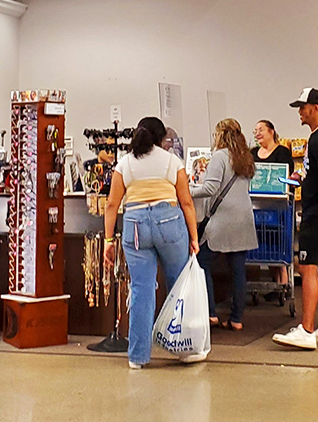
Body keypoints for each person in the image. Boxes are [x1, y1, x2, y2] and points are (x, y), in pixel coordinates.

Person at [103, 116, 201, 369]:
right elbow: (187, 202)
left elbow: (112, 204)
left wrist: (108, 240)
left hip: (135, 225)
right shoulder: (172, 161)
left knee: (141, 290)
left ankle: (137, 357)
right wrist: (193, 237)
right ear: (161, 138)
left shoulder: (124, 163)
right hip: (168, 220)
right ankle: (185, 349)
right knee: (179, 286)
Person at [273, 88, 318, 350]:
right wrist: (300, 178)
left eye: (302, 107)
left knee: (307, 267)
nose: (300, 112)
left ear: (315, 107)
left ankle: (306, 329)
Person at [191, 118, 258, 331]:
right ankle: (236, 318)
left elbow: (210, 188)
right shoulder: (246, 157)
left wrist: (187, 190)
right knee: (238, 270)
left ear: (220, 135)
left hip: (222, 220)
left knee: (202, 262)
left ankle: (210, 312)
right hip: (243, 219)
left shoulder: (220, 156)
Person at [251, 119, 295, 291]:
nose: (257, 133)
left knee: (279, 243)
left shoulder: (282, 152)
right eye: (255, 131)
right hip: (257, 207)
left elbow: (288, 175)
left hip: (279, 208)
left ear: (271, 131)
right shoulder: (253, 153)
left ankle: (282, 282)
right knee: (264, 243)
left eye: (261, 129)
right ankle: (276, 284)